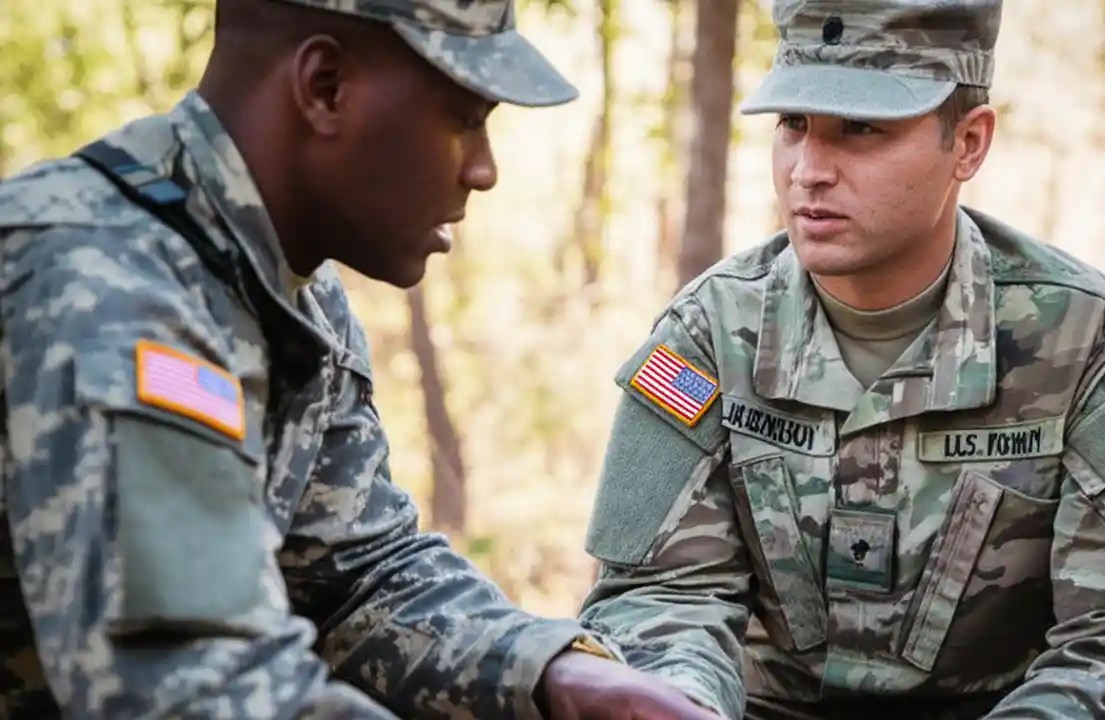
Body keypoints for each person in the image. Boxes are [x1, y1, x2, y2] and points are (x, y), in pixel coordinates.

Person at [0, 1, 720, 718]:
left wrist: (561, 677)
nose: (484, 170)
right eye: (465, 118)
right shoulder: (106, 283)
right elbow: (196, 687)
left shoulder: (294, 294)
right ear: (325, 88)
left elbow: (354, 577)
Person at [577, 1, 1105, 718]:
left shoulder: (1085, 339)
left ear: (967, 143)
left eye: (861, 130)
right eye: (793, 126)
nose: (810, 170)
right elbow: (660, 596)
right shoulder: (707, 334)